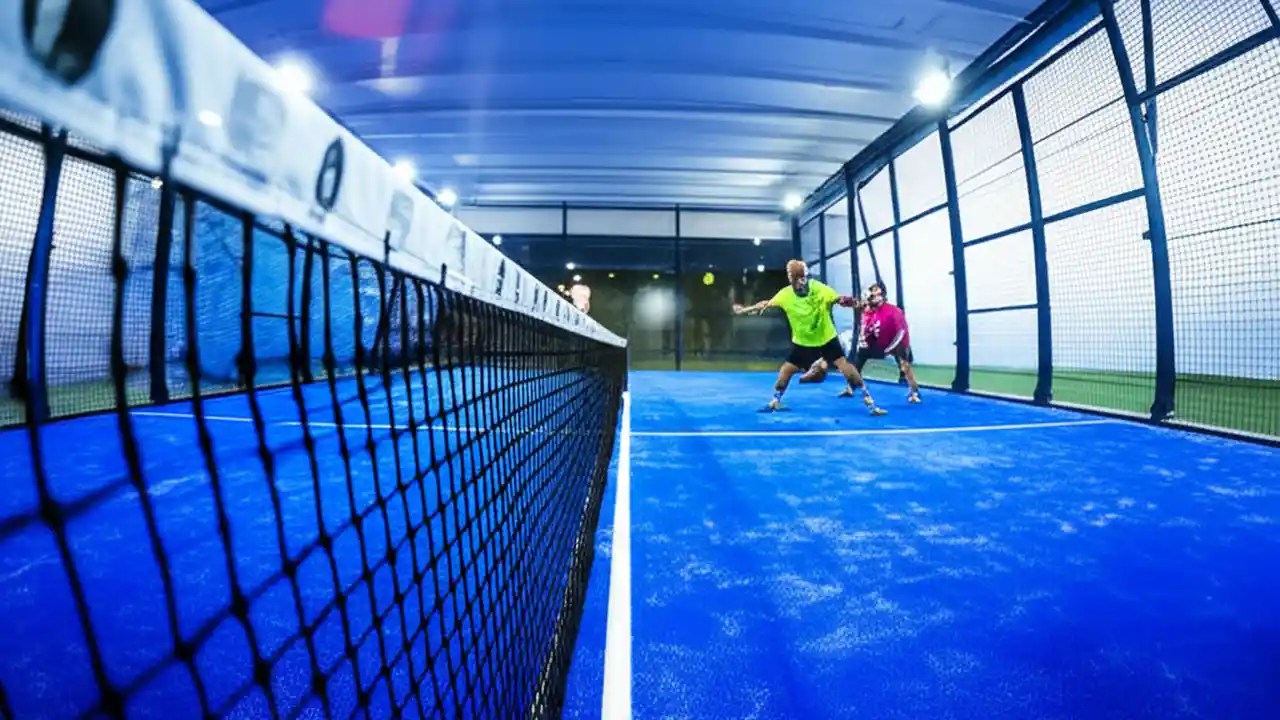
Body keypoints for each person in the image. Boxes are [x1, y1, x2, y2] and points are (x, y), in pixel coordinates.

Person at [733, 260, 886, 414]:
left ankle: (870, 403)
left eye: (801, 277)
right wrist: (745, 310)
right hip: (803, 343)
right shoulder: (785, 295)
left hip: (827, 339)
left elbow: (841, 300)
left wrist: (860, 303)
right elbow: (765, 304)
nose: (800, 281)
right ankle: (775, 401)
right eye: (794, 277)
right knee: (786, 371)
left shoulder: (820, 288)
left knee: (846, 369)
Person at [847, 282, 921, 403]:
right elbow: (868, 329)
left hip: (896, 343)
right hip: (879, 342)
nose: (872, 295)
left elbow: (901, 332)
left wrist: (890, 348)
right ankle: (851, 386)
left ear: (882, 295)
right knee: (860, 356)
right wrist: (864, 340)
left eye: (875, 292)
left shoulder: (893, 311)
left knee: (904, 364)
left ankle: (914, 392)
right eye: (871, 292)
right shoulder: (868, 311)